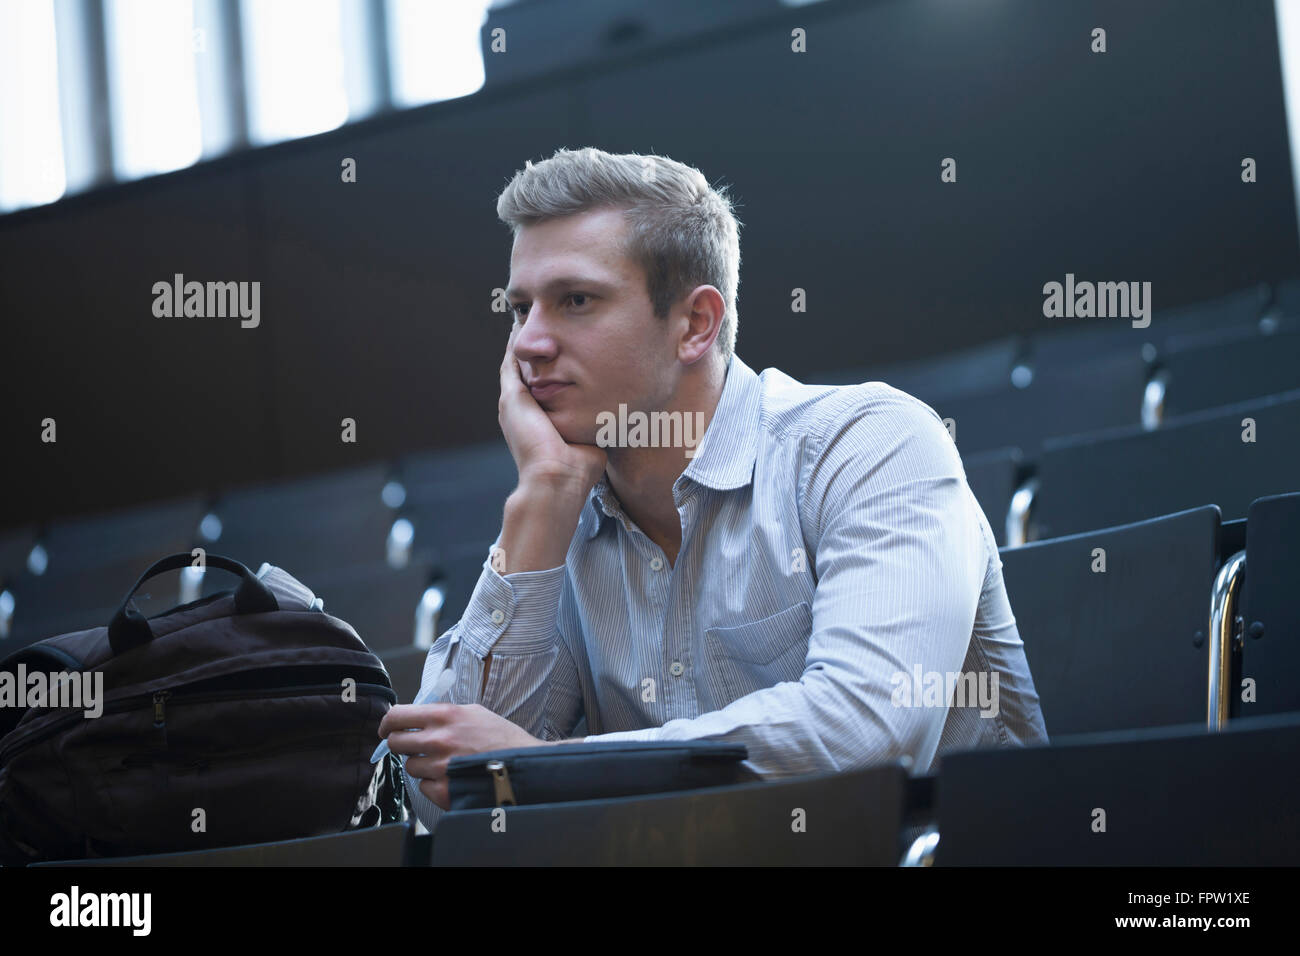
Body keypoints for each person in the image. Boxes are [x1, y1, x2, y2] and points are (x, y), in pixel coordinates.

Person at [378, 147, 1048, 829]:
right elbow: (445, 805)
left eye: (575, 301)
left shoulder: (871, 444)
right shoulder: (564, 515)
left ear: (695, 324)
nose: (529, 344)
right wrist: (542, 497)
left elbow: (864, 733)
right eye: (520, 309)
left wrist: (548, 771)